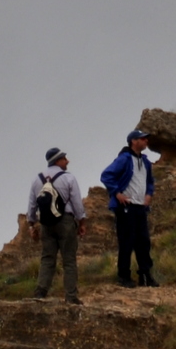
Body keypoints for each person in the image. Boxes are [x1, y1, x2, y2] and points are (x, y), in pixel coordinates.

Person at [27, 147, 87, 304]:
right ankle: (71, 296)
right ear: (58, 160)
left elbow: (32, 205)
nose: (67, 161)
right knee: (69, 260)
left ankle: (40, 293)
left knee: (47, 258)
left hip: (46, 223)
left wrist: (31, 225)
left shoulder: (37, 179)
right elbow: (77, 203)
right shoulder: (68, 178)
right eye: (64, 158)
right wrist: (82, 222)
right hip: (65, 221)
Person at [100, 129, 158, 287]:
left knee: (143, 242)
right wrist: (117, 193)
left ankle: (145, 275)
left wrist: (149, 194)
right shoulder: (124, 159)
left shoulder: (145, 161)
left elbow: (150, 181)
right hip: (126, 207)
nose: (146, 141)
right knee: (127, 241)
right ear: (134, 141)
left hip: (140, 207)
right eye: (143, 138)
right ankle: (124, 276)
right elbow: (106, 175)